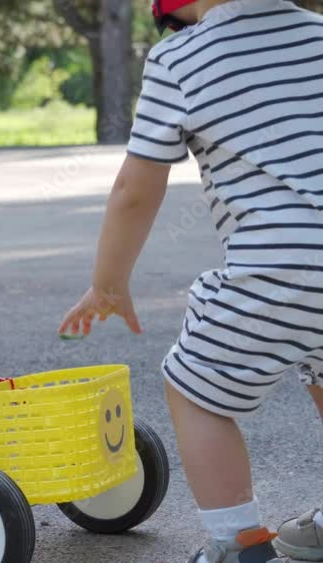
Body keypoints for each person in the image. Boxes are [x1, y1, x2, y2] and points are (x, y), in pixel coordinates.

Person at [58, 1, 323, 562]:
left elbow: (136, 188)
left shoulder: (179, 58)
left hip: (277, 265)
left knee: (193, 388)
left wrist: (108, 285)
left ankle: (239, 545)